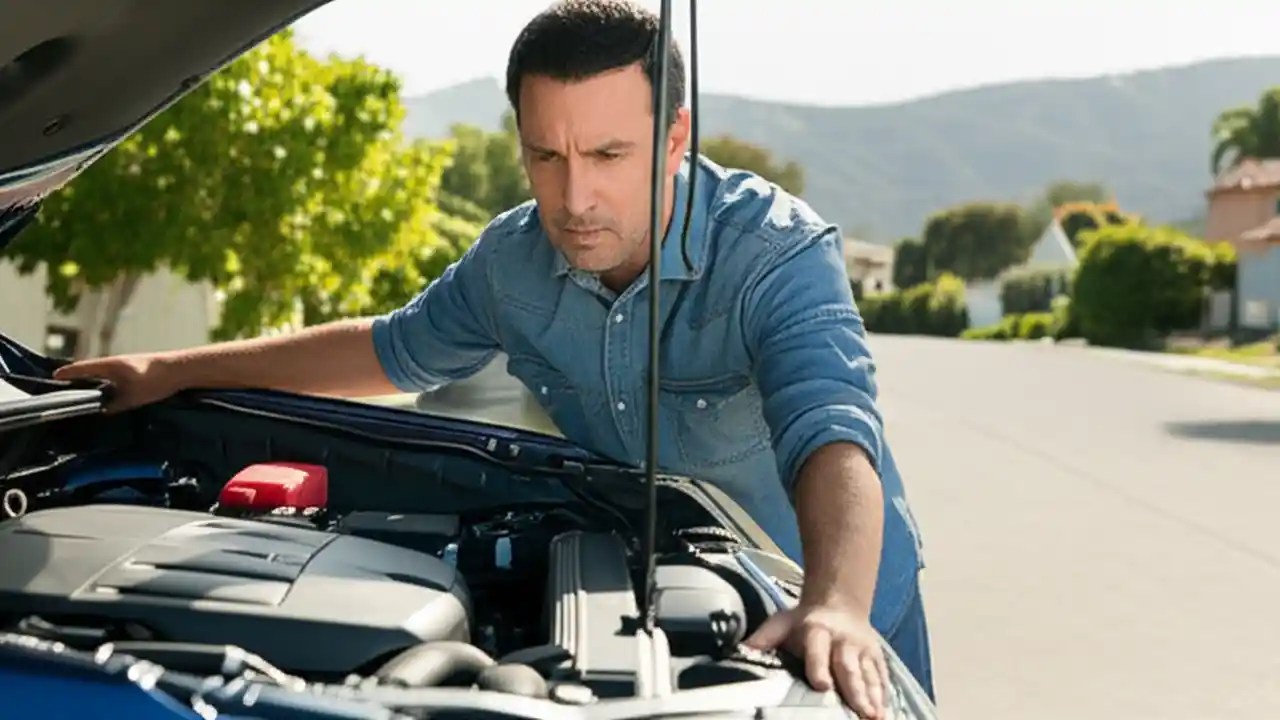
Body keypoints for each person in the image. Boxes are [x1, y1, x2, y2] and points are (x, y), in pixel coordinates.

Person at [54, 1, 933, 715]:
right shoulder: (511, 264)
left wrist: (835, 603)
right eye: (544, 156)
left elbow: (833, 433)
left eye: (608, 155)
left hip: (840, 611)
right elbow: (386, 350)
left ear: (675, 141)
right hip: (650, 595)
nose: (575, 196)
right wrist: (169, 372)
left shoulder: (775, 255)